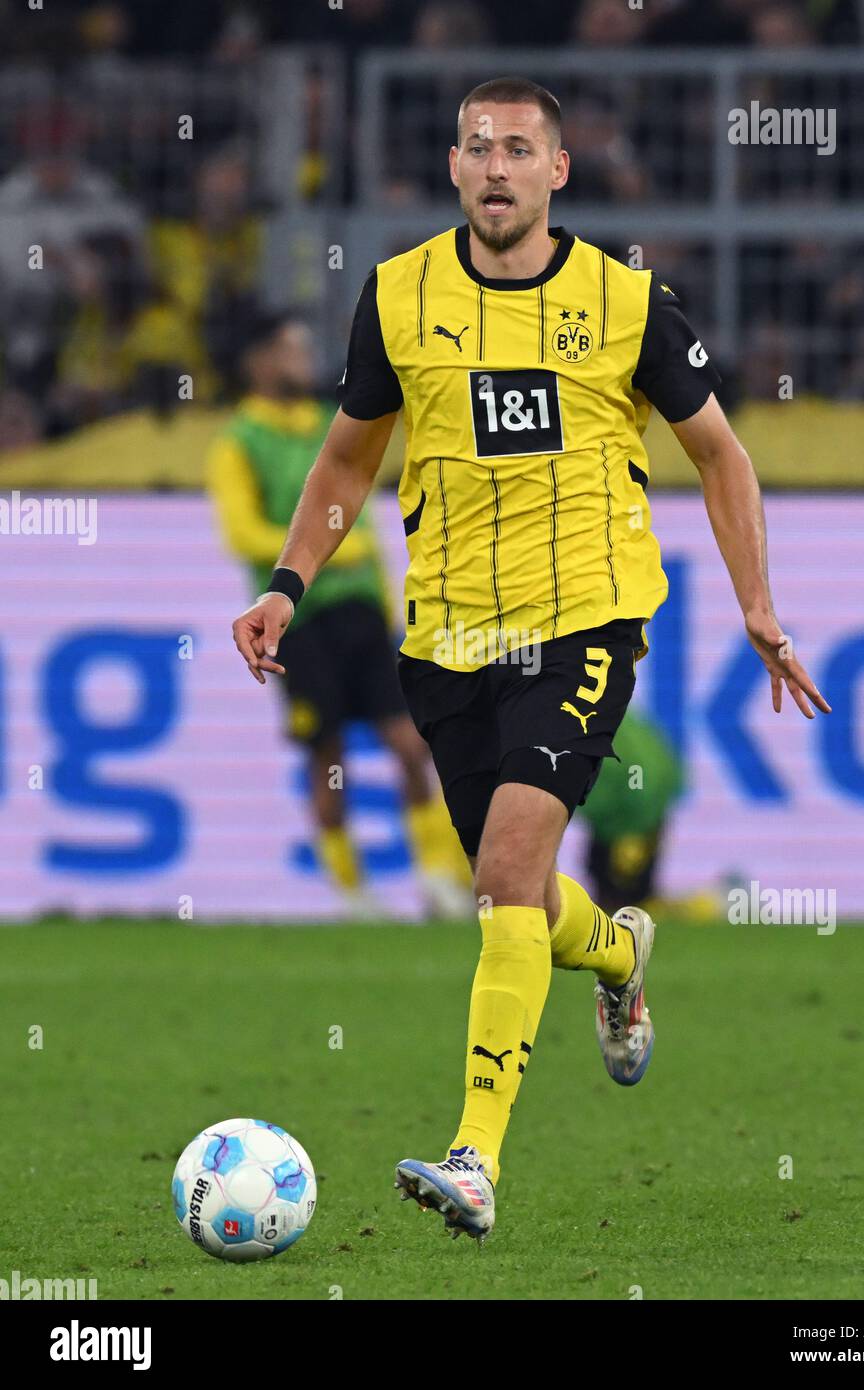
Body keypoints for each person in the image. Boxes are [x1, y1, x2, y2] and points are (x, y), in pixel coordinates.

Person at [230, 78, 830, 1242]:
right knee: (514, 893)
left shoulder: (627, 300)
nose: (494, 166)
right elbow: (349, 464)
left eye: (518, 148)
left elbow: (722, 456)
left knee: (507, 865)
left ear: (559, 171)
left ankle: (476, 1157)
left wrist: (760, 605)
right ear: (452, 170)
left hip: (584, 623)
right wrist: (286, 583)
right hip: (448, 639)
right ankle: (615, 947)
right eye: (474, 148)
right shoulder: (399, 297)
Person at [210, 310, 469, 919]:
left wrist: (387, 601)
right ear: (259, 361)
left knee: (410, 744)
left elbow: (363, 524)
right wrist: (332, 552)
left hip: (359, 613)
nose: (303, 358)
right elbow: (241, 532)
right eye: (289, 347)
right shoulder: (238, 442)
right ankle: (352, 894)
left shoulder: (330, 425)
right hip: (299, 620)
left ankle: (435, 880)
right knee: (327, 756)